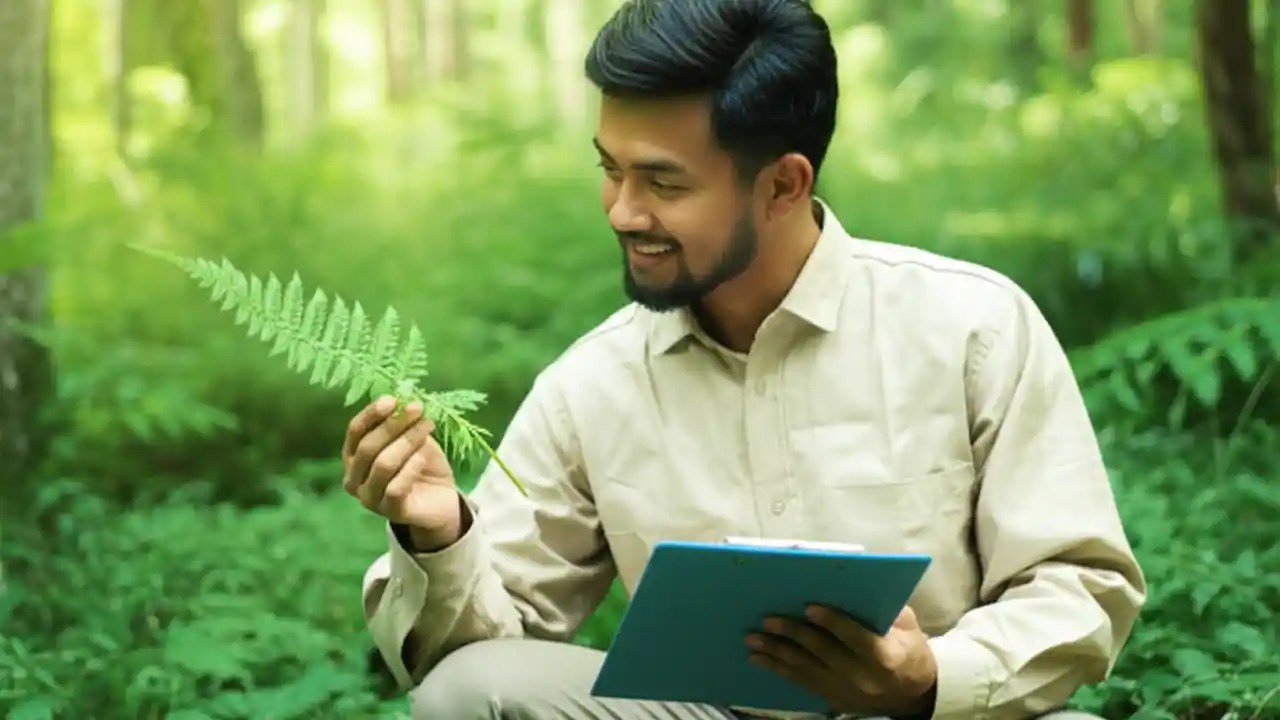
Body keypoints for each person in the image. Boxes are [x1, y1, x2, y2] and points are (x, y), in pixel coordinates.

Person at [346, 0, 1147, 718]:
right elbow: (477, 652)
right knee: (468, 691)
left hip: (936, 716)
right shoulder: (594, 384)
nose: (623, 211)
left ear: (784, 185)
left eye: (663, 183)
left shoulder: (972, 328)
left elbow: (1080, 586)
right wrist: (440, 536)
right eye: (611, 170)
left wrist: (929, 677)